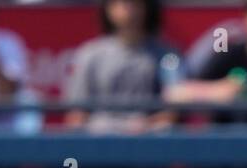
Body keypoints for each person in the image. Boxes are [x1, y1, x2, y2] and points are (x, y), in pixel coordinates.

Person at [66, 0, 181, 132]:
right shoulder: (89, 55)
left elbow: (173, 109)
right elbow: (76, 114)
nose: (128, 11)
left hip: (150, 141)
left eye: (135, 4)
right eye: (120, 4)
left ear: (146, 8)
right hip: (100, 139)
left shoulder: (168, 55)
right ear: (108, 9)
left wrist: (147, 126)